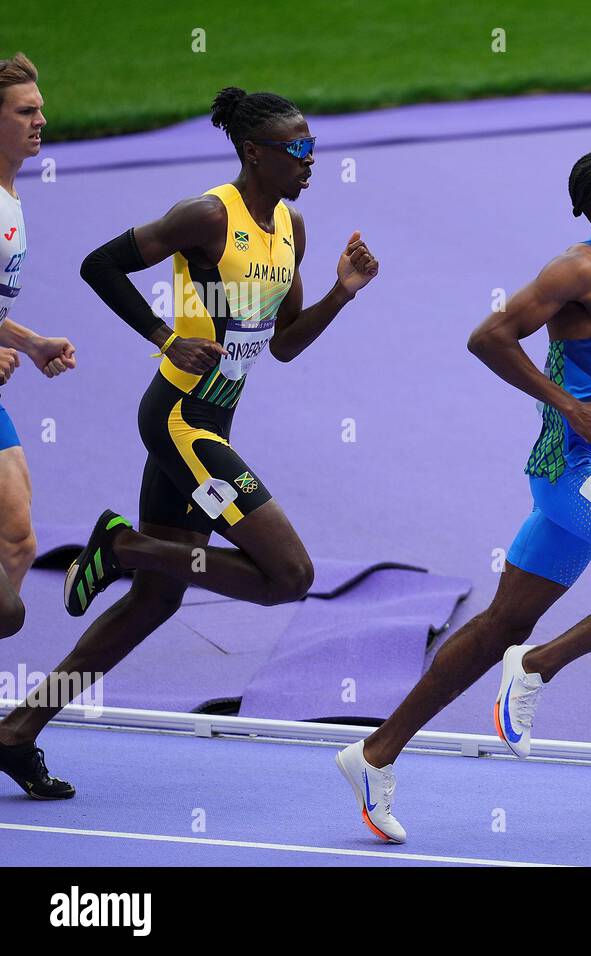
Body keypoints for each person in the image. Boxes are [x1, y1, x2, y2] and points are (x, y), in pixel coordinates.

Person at [335, 148, 591, 843]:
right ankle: (540, 664)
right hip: (570, 470)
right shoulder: (579, 269)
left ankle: (373, 753)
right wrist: (565, 407)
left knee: (499, 624)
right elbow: (488, 337)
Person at [0, 87, 380, 799]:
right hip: (181, 420)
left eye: (313, 147)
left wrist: (342, 292)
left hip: (214, 422)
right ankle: (123, 546)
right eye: (296, 149)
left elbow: (287, 344)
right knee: (289, 576)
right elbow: (100, 264)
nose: (310, 160)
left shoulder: (291, 226)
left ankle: (17, 731)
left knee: (156, 601)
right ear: (253, 153)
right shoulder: (207, 216)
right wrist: (166, 336)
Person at [0, 52, 78, 639]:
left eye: (42, 109)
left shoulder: (10, 198)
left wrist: (29, 341)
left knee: (18, 544)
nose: (40, 121)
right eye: (26, 111)